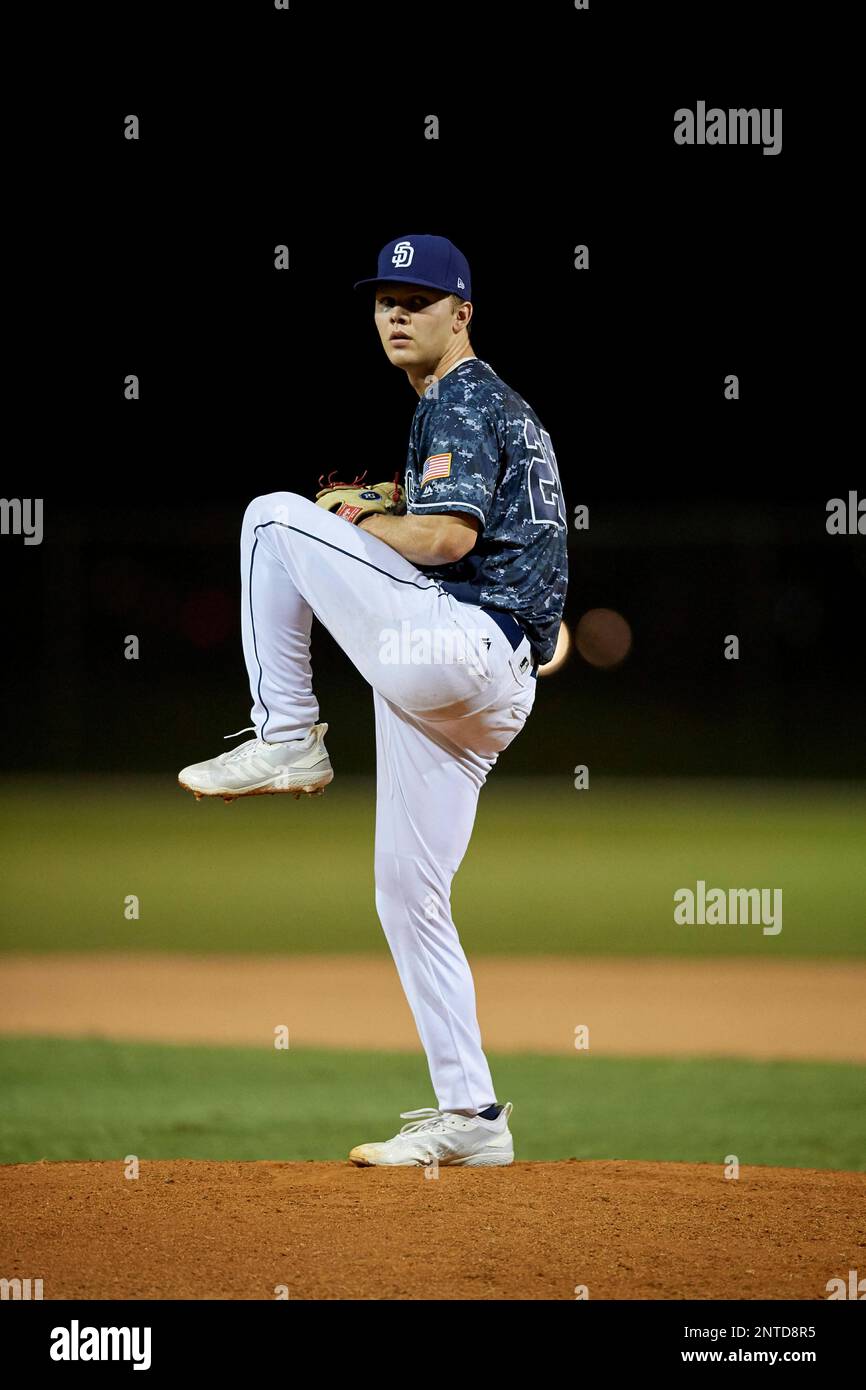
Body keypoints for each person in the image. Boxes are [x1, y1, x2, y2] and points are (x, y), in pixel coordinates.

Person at [178, 233, 568, 1166]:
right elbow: (488, 537)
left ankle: (287, 735)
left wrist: (361, 518)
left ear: (461, 311)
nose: (396, 313)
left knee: (274, 516)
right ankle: (474, 1121)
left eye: (419, 299)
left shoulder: (464, 396)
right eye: (385, 298)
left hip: (458, 648)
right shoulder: (481, 407)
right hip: (482, 687)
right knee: (409, 894)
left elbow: (438, 539)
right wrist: (384, 514)